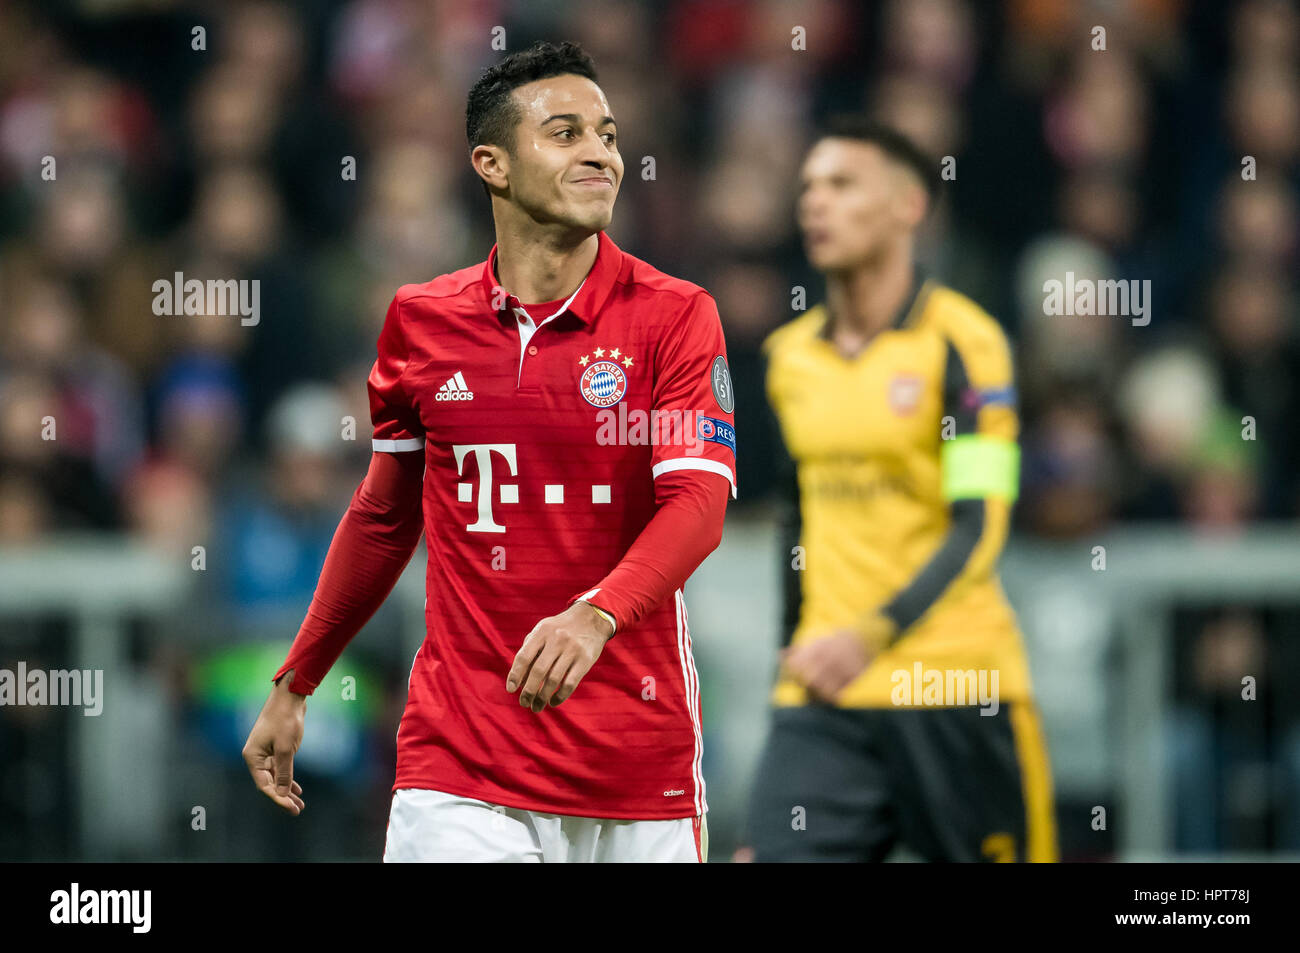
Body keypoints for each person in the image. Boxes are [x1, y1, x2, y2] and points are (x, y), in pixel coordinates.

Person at [241, 41, 736, 863]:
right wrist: (295, 682)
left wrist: (596, 614)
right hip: (461, 760)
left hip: (634, 764)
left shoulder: (675, 316)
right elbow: (382, 518)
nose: (599, 154)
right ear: (492, 164)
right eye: (567, 132)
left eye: (608, 136)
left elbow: (698, 506)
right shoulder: (421, 322)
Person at [743, 118, 1057, 862]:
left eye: (842, 185)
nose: (815, 203)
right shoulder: (789, 359)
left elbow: (978, 524)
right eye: (809, 187)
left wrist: (871, 633)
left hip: (952, 683)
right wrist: (791, 653)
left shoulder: (965, 342)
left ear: (908, 207)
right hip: (825, 695)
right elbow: (797, 523)